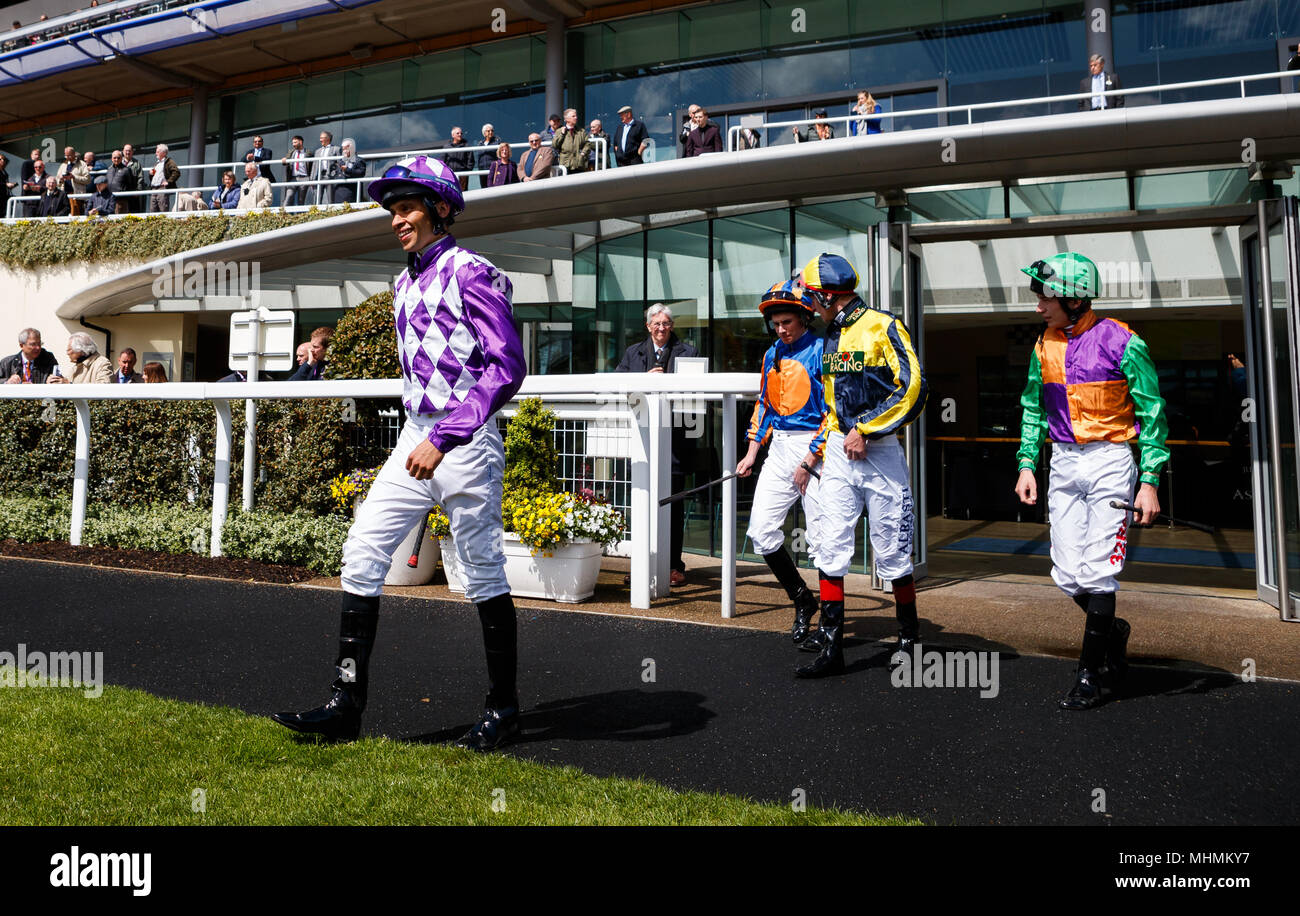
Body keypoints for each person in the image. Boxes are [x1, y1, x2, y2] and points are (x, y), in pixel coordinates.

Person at [271, 154, 528, 750]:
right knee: (361, 553)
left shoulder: (473, 271)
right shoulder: (403, 281)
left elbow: (507, 366)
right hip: (417, 434)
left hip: (465, 440)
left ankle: (504, 708)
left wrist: (445, 437)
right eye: (392, 209)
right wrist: (425, 434)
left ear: (440, 208)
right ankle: (345, 704)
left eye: (407, 206)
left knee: (482, 572)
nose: (396, 219)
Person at [1014, 253, 1167, 710]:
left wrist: (1150, 479)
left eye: (1045, 297)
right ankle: (1112, 629)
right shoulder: (1043, 345)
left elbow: (1153, 412)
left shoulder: (1122, 340)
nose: (1039, 305)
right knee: (1065, 573)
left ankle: (1090, 674)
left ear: (1074, 298)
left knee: (1099, 570)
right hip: (1062, 461)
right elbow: (1032, 408)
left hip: (1111, 460)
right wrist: (1026, 463)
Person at [794, 253, 928, 678]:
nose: (808, 303)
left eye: (811, 295)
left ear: (826, 294)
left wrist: (867, 429)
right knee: (830, 546)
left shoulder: (883, 325)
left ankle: (909, 638)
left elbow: (914, 387)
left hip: (881, 452)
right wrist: (821, 447)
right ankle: (831, 649)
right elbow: (834, 406)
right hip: (838, 452)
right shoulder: (829, 334)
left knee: (891, 551)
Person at [736, 280, 827, 644]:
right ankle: (802, 598)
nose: (781, 329)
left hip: (815, 450)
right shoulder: (771, 352)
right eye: (776, 324)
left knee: (822, 539)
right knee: (760, 530)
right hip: (779, 449)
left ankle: (831, 625)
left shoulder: (822, 350)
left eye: (787, 322)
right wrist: (752, 451)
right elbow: (765, 404)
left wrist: (810, 459)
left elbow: (833, 412)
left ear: (804, 318)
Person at [614, 303, 700, 586]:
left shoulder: (689, 353)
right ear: (648, 326)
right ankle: (642, 562)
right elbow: (617, 384)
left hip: (676, 442)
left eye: (666, 324)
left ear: (671, 326)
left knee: (673, 506)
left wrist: (670, 382)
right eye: (656, 323)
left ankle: (674, 565)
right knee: (641, 504)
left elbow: (696, 397)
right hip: (642, 440)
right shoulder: (632, 353)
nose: (661, 328)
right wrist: (643, 380)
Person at [552, 108, 592, 175]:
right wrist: (562, 134)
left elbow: (588, 144)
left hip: (579, 164)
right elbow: (555, 145)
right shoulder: (559, 131)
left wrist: (583, 154)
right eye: (573, 116)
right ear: (566, 119)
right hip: (565, 165)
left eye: (576, 116)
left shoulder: (581, 131)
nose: (576, 118)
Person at [147, 144, 180, 213]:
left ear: (164, 153)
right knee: (152, 211)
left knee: (163, 210)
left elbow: (176, 172)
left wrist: (168, 182)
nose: (156, 153)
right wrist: (151, 174)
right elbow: (155, 176)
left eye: (158, 152)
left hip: (162, 188)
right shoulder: (157, 163)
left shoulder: (169, 162)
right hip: (154, 189)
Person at [312, 130, 341, 206]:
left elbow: (339, 163)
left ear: (328, 138)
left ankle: (332, 213)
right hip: (319, 176)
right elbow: (314, 166)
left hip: (330, 176)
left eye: (322, 138)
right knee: (317, 198)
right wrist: (312, 178)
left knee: (330, 198)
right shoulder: (317, 151)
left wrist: (336, 175)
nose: (320, 140)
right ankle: (316, 213)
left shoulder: (336, 149)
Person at [281, 135, 311, 206]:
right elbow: (286, 160)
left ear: (300, 142)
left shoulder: (308, 153)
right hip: (293, 178)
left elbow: (312, 166)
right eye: (293, 143)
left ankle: (299, 215)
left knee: (301, 199)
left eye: (295, 142)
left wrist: (310, 178)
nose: (293, 144)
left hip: (304, 178)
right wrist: (284, 160)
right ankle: (283, 213)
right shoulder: (291, 152)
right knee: (289, 195)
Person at [334, 138, 366, 204]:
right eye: (343, 149)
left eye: (346, 148)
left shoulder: (358, 160)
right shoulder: (340, 161)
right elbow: (336, 174)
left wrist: (348, 170)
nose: (344, 151)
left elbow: (361, 173)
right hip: (339, 192)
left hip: (352, 192)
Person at [103, 149, 134, 214]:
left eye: (118, 158)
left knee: (119, 220)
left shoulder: (126, 170)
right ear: (111, 159)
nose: (116, 159)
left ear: (122, 158)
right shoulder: (109, 170)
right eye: (114, 158)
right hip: (109, 200)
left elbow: (130, 184)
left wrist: (125, 197)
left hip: (121, 201)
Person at [444, 126, 473, 191]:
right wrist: (446, 172)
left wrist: (466, 172)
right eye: (458, 133)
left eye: (461, 133)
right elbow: (443, 161)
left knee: (463, 193)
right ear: (453, 135)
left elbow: (471, 160)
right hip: (450, 174)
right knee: (451, 192)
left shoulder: (466, 146)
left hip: (463, 174)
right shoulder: (447, 147)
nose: (460, 135)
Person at [121, 143, 144, 213]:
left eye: (129, 151)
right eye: (126, 151)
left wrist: (138, 191)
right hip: (121, 193)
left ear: (132, 152)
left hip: (133, 193)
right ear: (123, 151)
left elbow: (140, 178)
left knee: (133, 212)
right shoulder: (118, 162)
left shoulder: (137, 163)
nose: (127, 152)